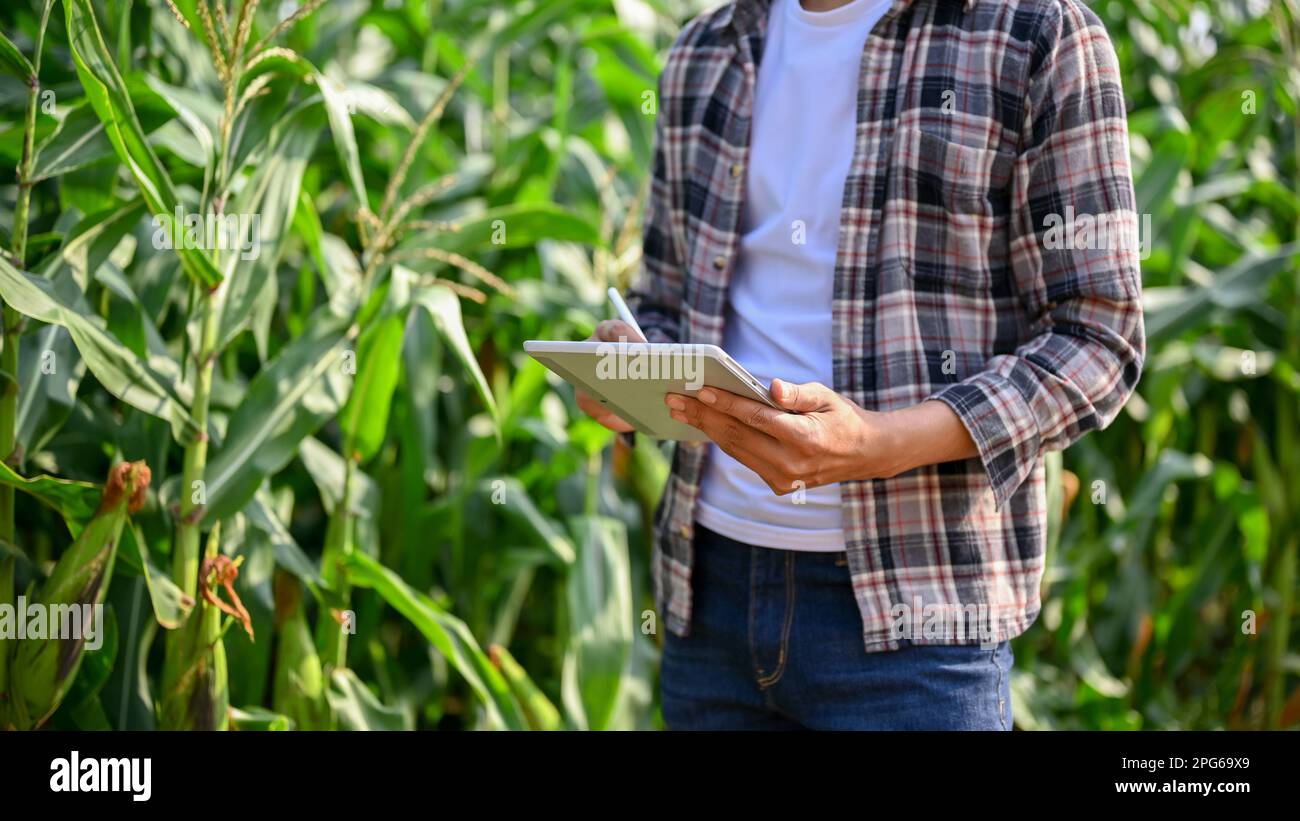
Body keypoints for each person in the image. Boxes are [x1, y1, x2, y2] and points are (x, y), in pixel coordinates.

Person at [577, 0, 1145, 730]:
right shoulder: (705, 50)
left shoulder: (1034, 32)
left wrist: (879, 444)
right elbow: (664, 299)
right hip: (709, 596)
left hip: (917, 620)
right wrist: (632, 374)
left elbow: (1098, 336)